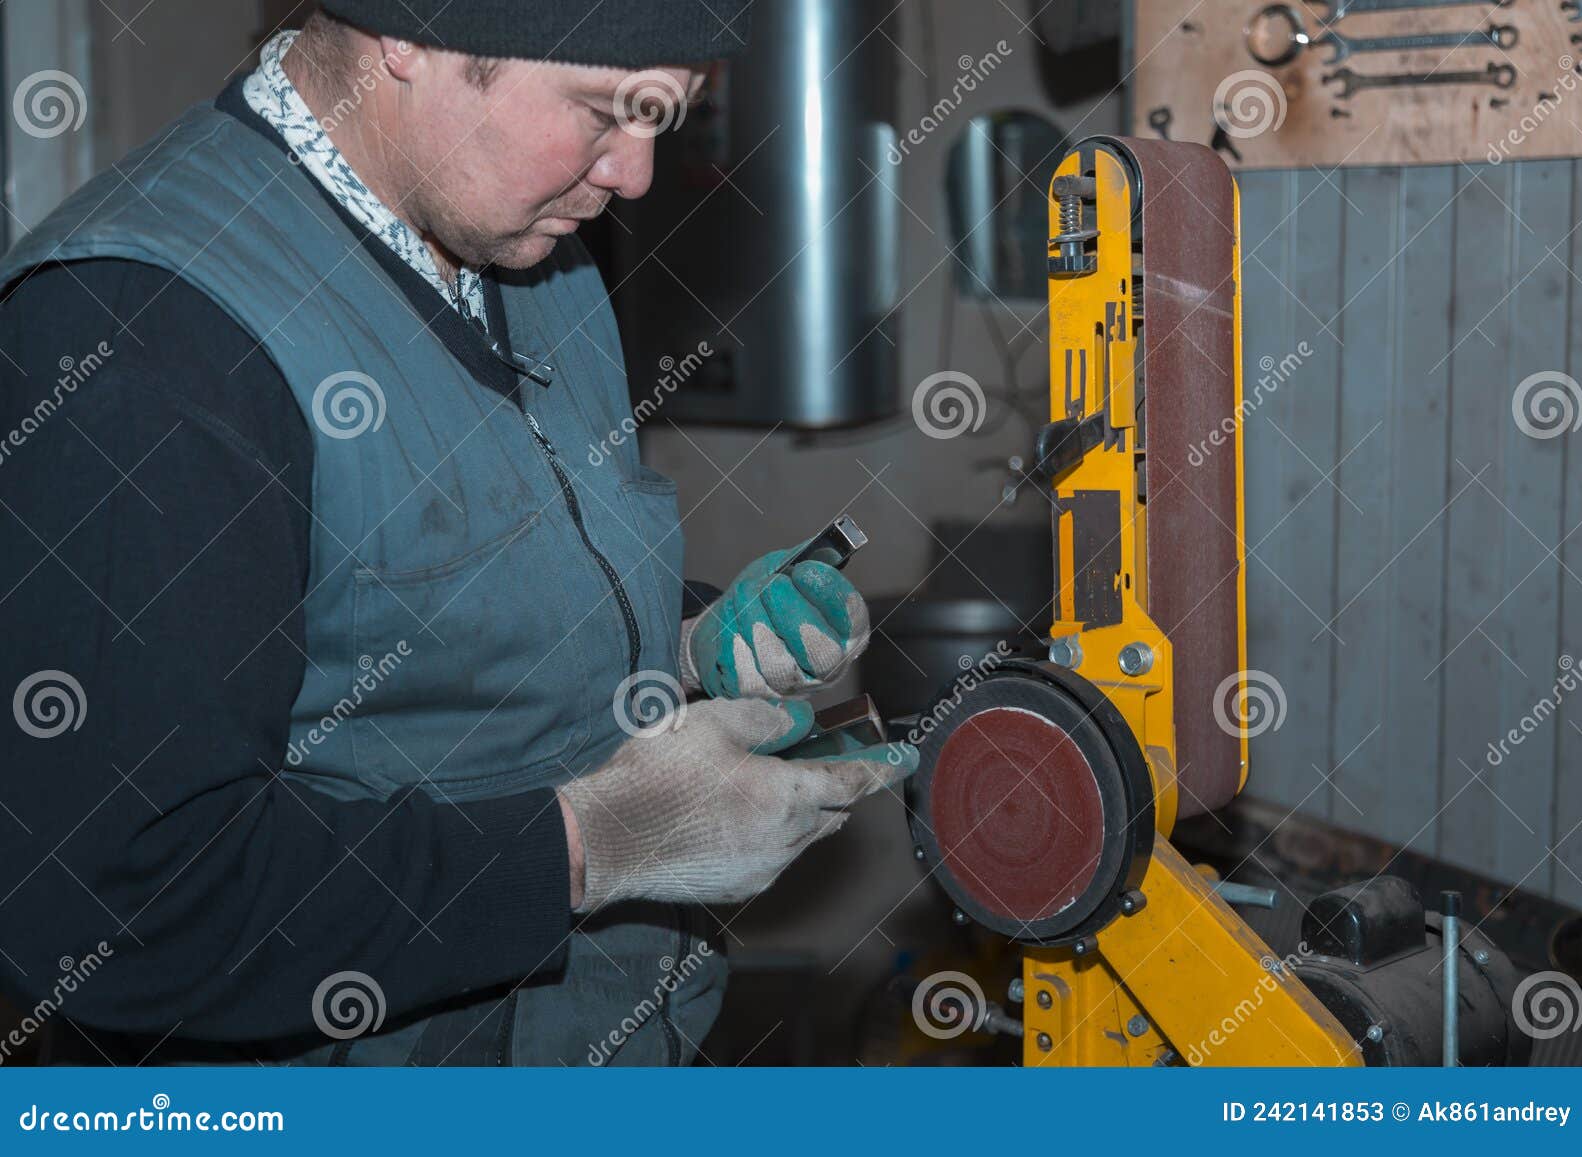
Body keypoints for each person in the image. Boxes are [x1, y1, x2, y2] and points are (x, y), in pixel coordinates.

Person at [0, 0, 914, 1066]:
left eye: (663, 117)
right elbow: (123, 905)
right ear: (410, 36)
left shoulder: (528, 246)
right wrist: (593, 846)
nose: (634, 176)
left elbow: (439, 615)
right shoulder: (145, 333)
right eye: (604, 112)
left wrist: (689, 643)